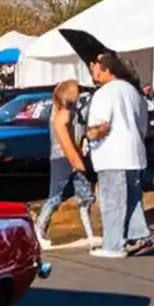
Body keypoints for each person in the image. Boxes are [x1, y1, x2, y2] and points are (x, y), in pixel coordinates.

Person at [84, 52, 154, 258]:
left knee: (112, 200)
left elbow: (101, 126)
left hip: (111, 154)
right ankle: (139, 234)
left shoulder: (105, 93)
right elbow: (143, 124)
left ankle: (113, 245)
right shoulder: (133, 92)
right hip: (134, 153)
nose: (93, 71)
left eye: (95, 67)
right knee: (132, 198)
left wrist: (88, 135)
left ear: (106, 68)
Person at [34, 80, 97, 249]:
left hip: (72, 156)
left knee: (84, 197)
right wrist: (77, 161)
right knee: (55, 196)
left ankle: (90, 233)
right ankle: (39, 231)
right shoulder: (61, 113)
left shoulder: (73, 111)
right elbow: (64, 140)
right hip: (62, 157)